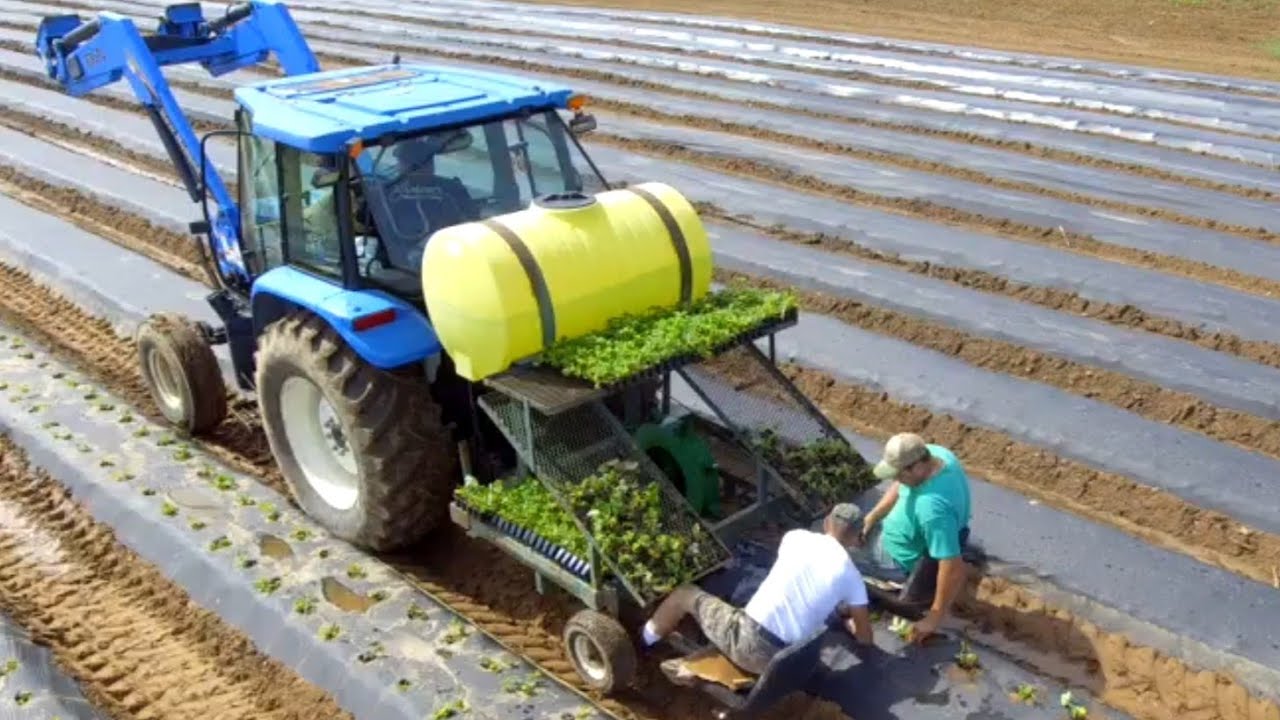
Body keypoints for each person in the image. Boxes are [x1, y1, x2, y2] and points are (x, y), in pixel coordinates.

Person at [640, 503, 874, 684]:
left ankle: (643, 643)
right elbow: (865, 638)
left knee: (684, 593)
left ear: (826, 523)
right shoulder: (853, 578)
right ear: (857, 537)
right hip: (789, 663)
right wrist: (851, 624)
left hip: (751, 646)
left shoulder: (796, 538)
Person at [857, 432, 972, 644]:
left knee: (842, 551)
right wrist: (872, 517)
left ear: (917, 467)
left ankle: (886, 581)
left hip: (899, 558)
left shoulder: (932, 508)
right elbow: (900, 486)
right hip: (927, 533)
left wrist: (933, 618)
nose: (895, 479)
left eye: (899, 474)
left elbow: (953, 567)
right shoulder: (938, 454)